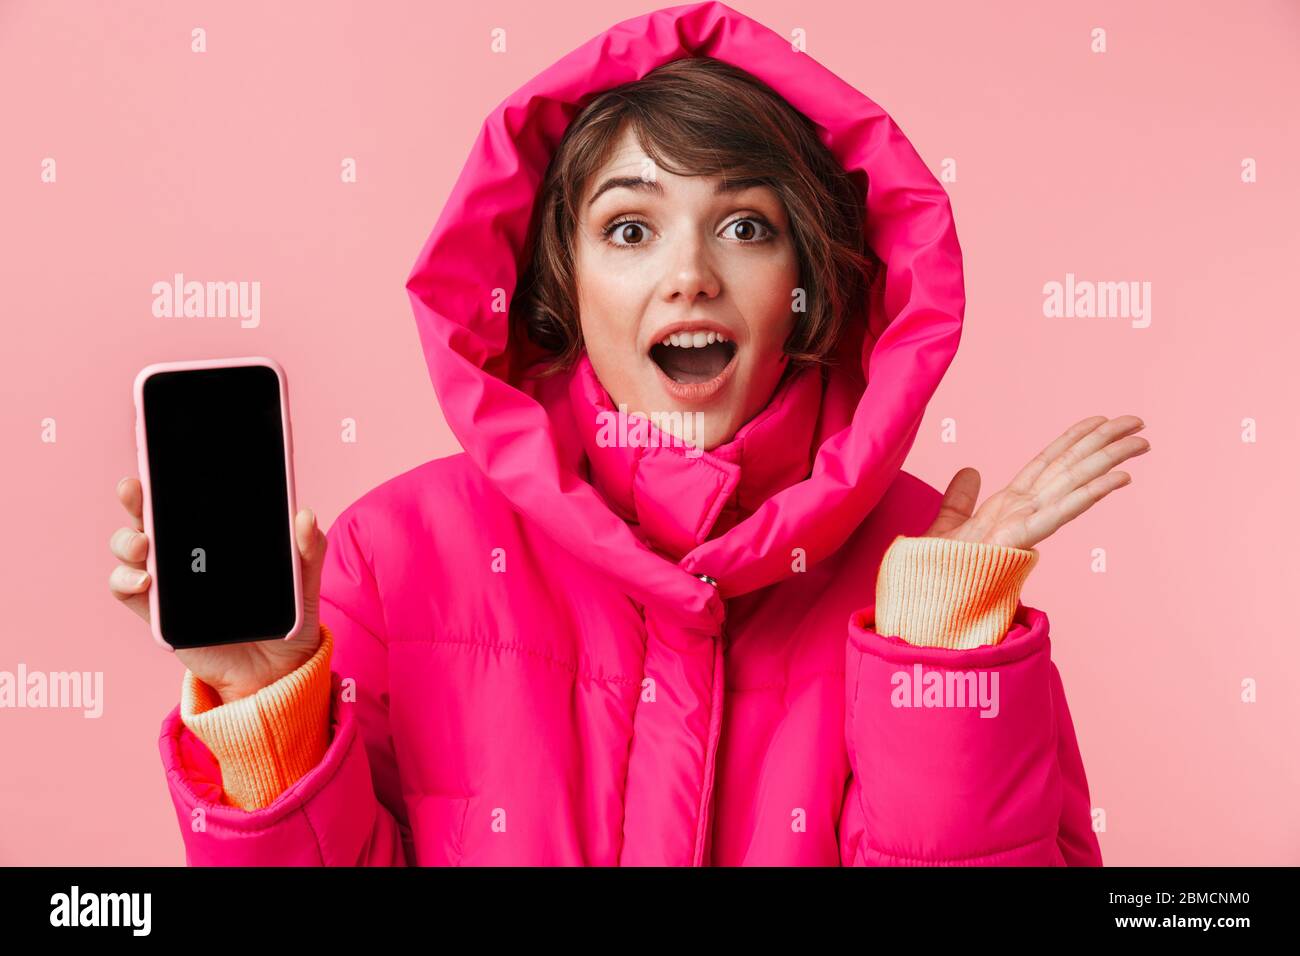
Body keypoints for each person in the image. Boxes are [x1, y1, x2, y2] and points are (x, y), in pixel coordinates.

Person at [109, 2, 1147, 865]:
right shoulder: (395, 553)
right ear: (562, 280)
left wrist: (936, 656)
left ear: (805, 282)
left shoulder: (931, 563)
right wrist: (265, 709)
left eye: (746, 226)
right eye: (629, 228)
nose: (689, 272)